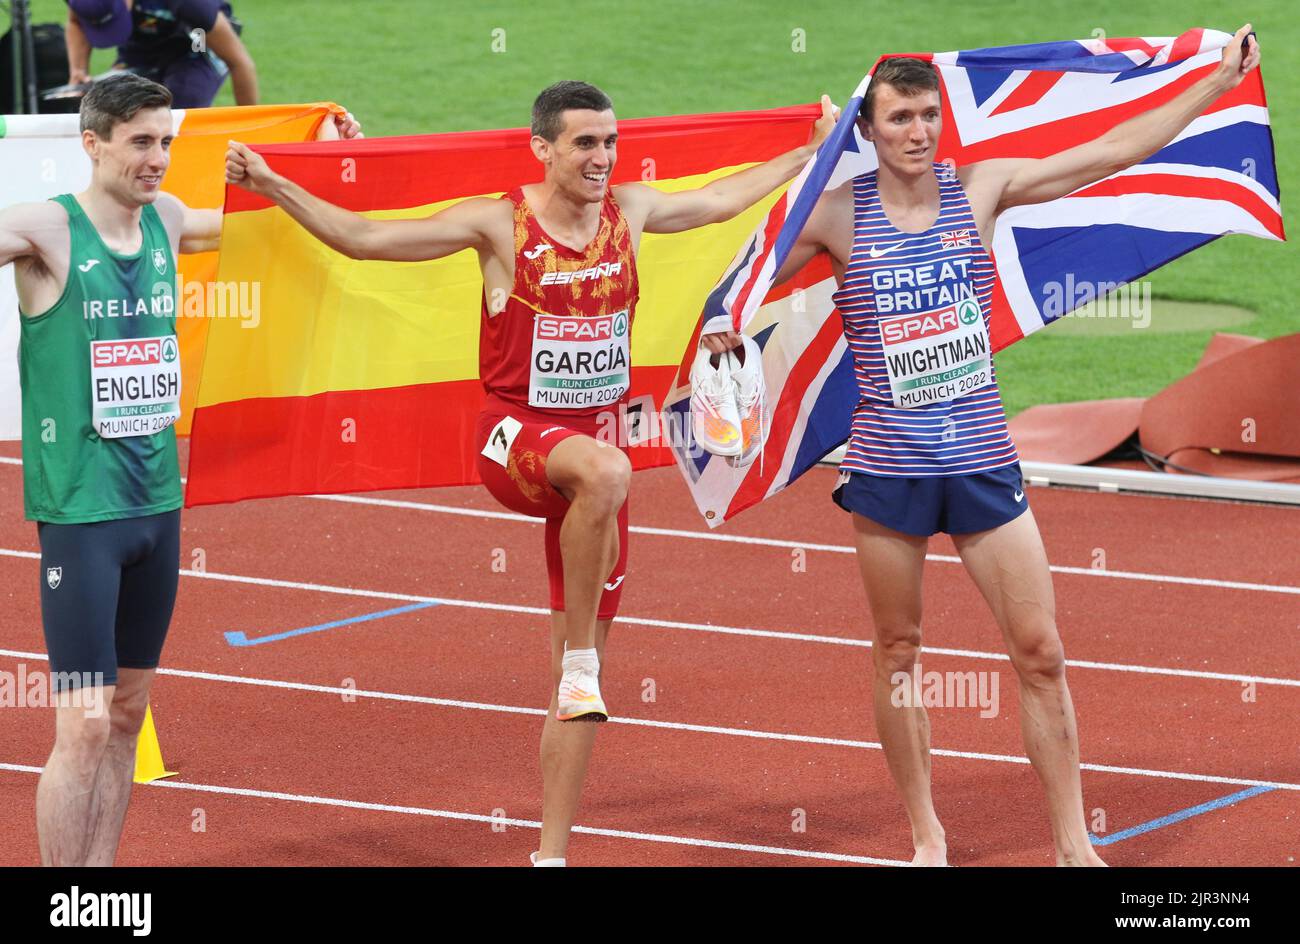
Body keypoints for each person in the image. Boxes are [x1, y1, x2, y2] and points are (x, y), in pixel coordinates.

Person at [225, 80, 835, 866]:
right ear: (543, 148)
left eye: (610, 142)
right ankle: (580, 660)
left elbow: (722, 199)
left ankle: (550, 852)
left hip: (594, 461)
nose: (602, 158)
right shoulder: (499, 224)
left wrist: (810, 153)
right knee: (612, 474)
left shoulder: (633, 213)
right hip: (513, 441)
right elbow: (364, 238)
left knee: (578, 672)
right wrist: (272, 182)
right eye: (585, 143)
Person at [764, 26, 1260, 865]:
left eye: (927, 116)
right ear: (869, 130)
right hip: (889, 468)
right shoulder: (835, 219)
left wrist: (1212, 84)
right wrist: (801, 169)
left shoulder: (981, 187)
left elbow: (1106, 151)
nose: (917, 133)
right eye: (898, 120)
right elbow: (742, 271)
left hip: (985, 461)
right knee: (898, 652)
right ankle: (928, 835)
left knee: (1041, 652)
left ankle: (1072, 842)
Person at [0, 72, 357, 867]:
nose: (158, 158)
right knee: (83, 722)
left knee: (127, 714)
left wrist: (330, 161)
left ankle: (99, 887)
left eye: (165, 141)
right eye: (140, 143)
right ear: (92, 144)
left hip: (158, 508)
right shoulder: (45, 231)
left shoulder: (164, 219)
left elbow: (256, 225)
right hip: (82, 516)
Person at [65, 0, 258, 108]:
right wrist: (78, 70)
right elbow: (76, 22)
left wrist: (250, 132)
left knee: (182, 100)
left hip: (198, 41)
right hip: (144, 41)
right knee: (120, 103)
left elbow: (240, 63)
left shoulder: (192, 5)